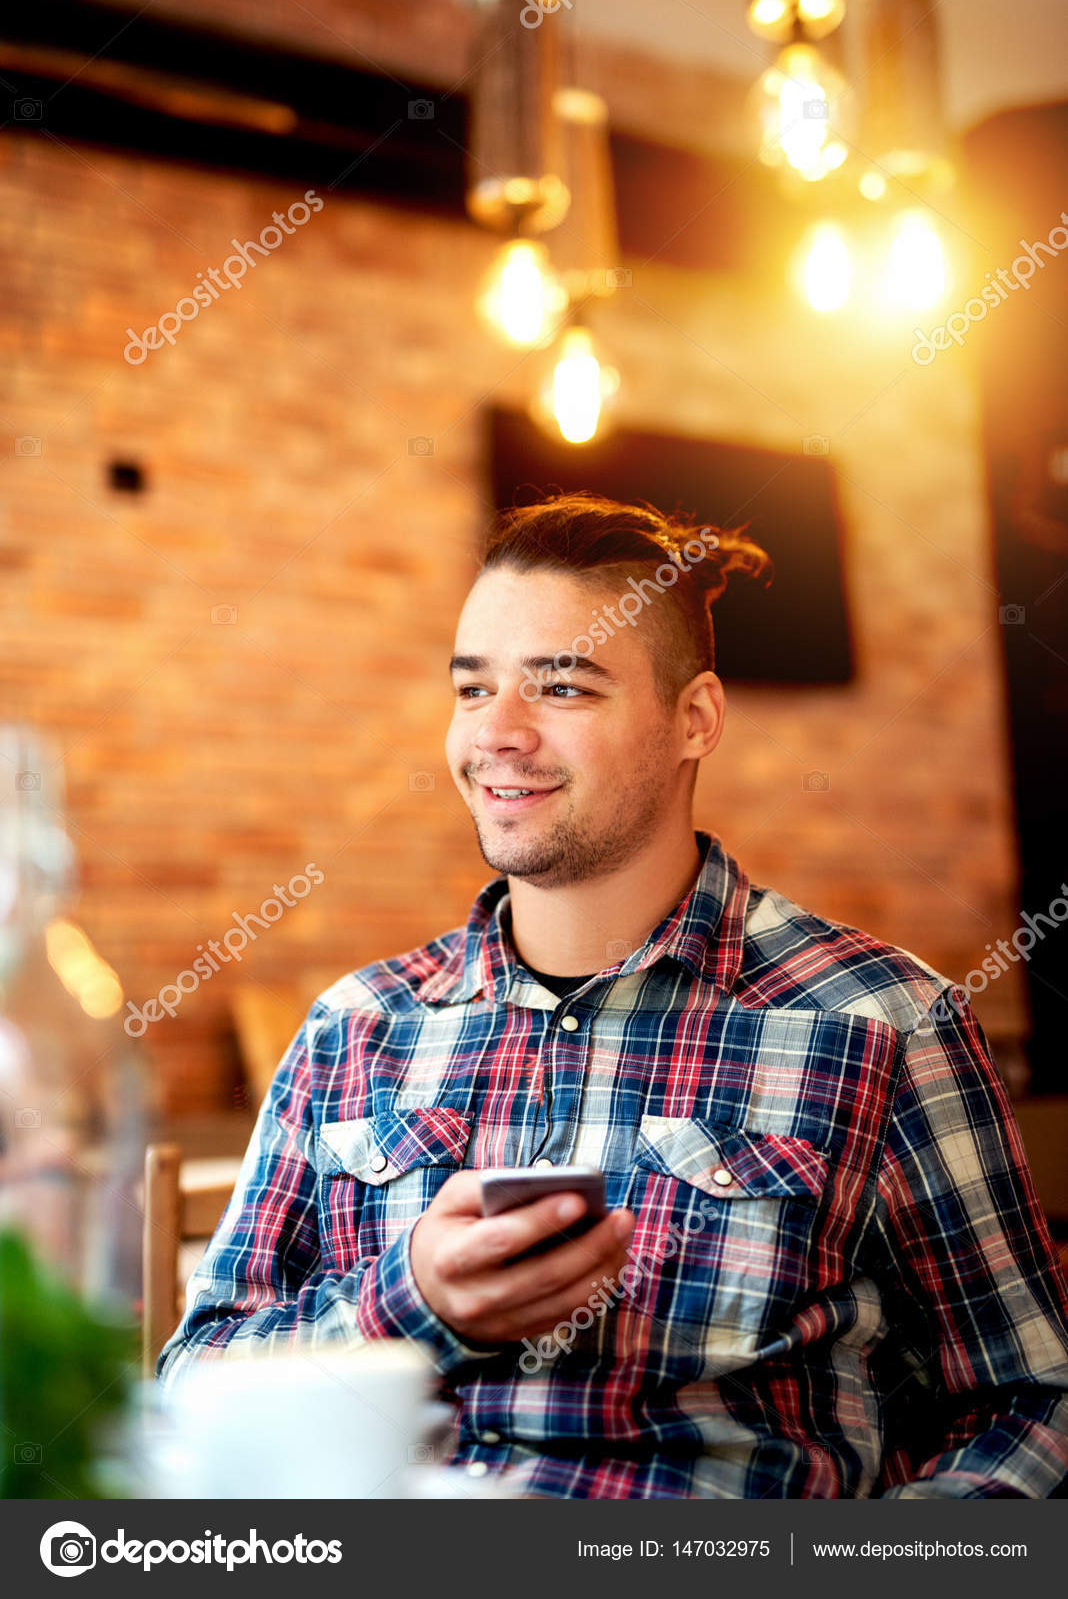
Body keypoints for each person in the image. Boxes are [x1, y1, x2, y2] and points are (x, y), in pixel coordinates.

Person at [157, 491, 1068, 1499]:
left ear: (694, 718)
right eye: (472, 688)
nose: (496, 734)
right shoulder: (354, 1029)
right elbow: (194, 1382)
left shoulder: (883, 1021)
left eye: (563, 688)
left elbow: (1030, 1397)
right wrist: (414, 1298)